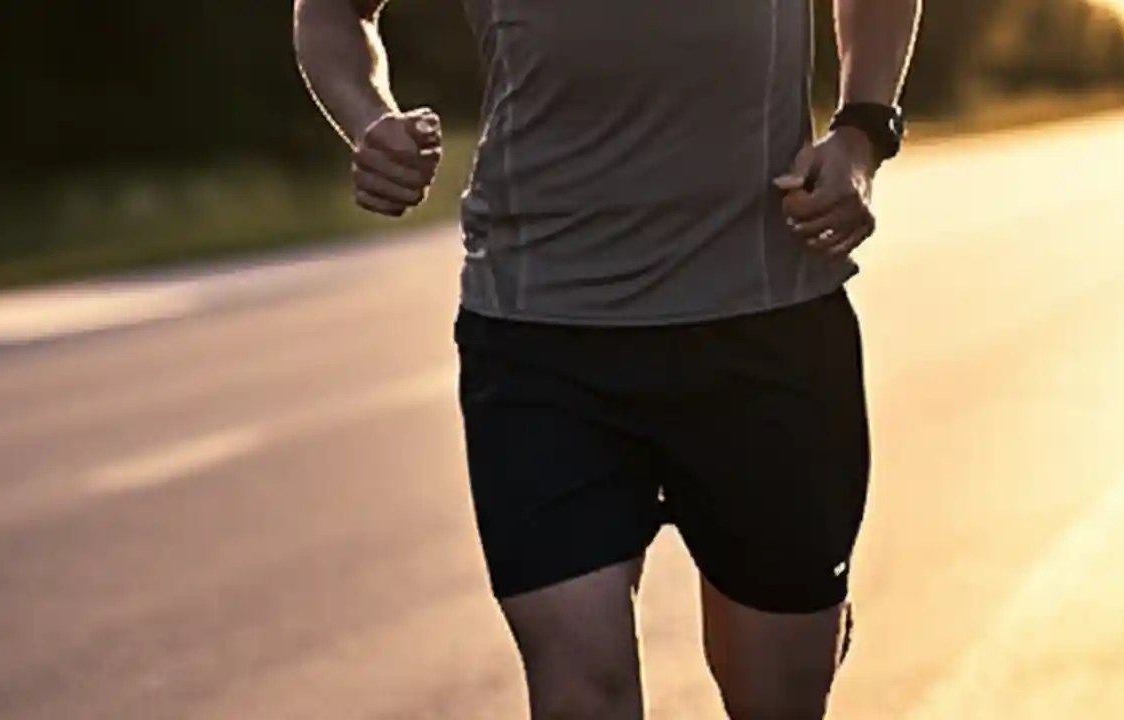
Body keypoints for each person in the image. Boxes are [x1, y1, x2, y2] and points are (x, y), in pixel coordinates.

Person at [294, 0, 919, 716]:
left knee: (776, 697)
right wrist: (371, 121)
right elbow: (332, 12)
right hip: (542, 336)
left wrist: (863, 130)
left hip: (766, 324)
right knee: (580, 692)